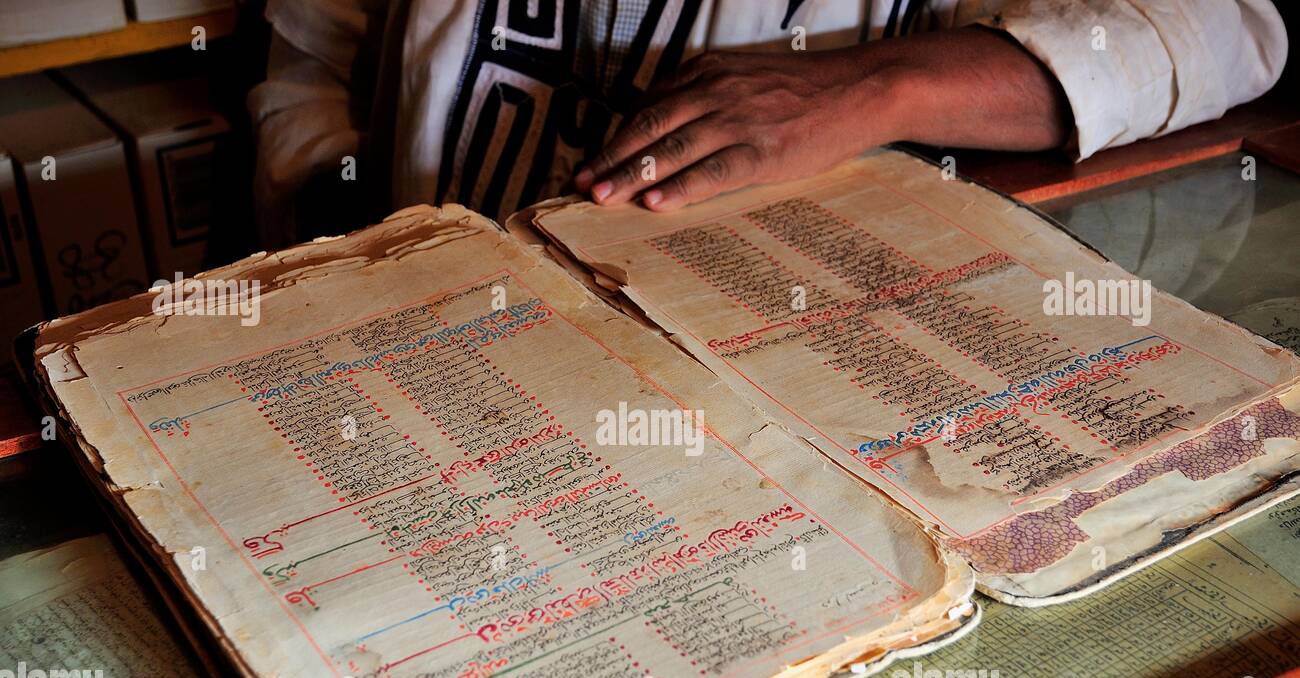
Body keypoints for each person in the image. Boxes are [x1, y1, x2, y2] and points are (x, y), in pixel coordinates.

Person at [250, 0, 1288, 247]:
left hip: (772, 370)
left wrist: (882, 86)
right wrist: (343, 252)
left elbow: (1228, 27)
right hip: (432, 332)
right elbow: (310, 62)